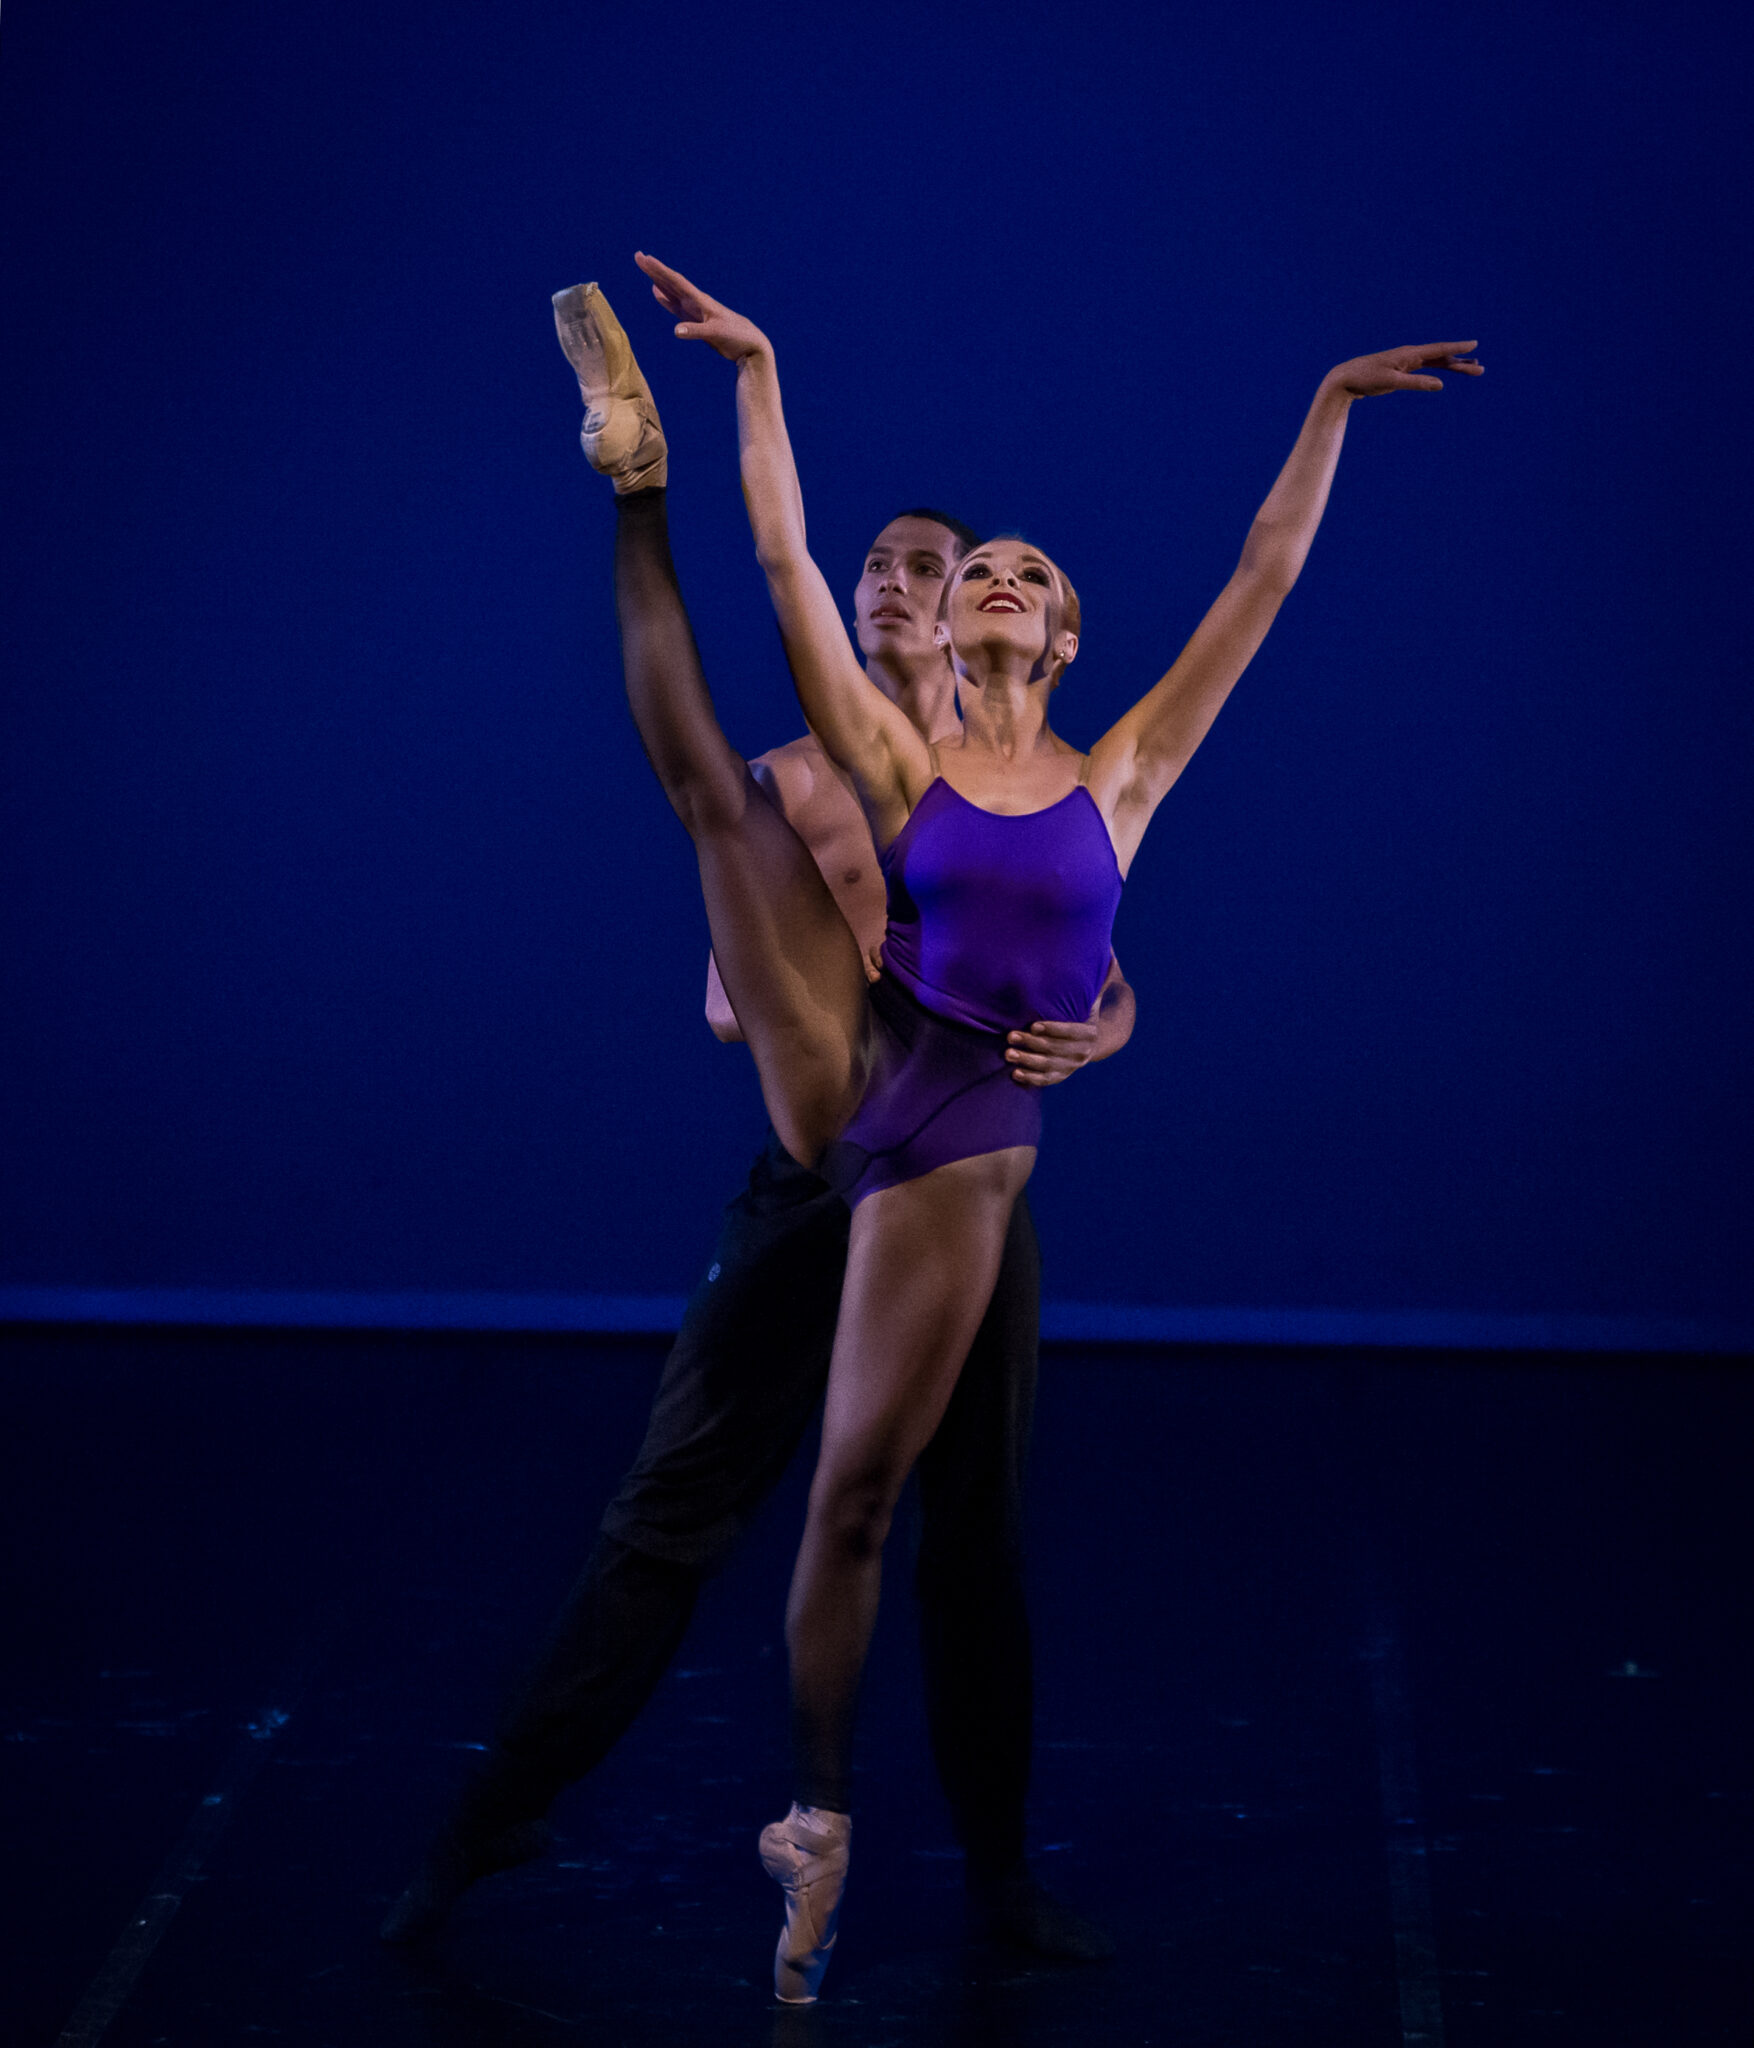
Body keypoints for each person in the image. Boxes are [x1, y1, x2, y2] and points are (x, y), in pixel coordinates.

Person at [560, 254, 1479, 2005]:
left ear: (1060, 639)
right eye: (973, 563)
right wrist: (757, 369)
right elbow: (789, 569)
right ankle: (632, 472)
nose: (989, 576)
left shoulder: (1121, 774)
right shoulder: (899, 774)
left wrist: (1330, 404)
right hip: (839, 1079)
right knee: (704, 775)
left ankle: (814, 1822)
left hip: (957, 1140)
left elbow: (1260, 581)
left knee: (853, 1504)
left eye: (1024, 575)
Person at [378, 496, 1134, 1959]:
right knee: (672, 1512)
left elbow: (1102, 975)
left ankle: (998, 1880)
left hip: (959, 1176)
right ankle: (488, 1824)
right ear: (849, 616)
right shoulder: (797, 776)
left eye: (938, 565)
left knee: (974, 1533)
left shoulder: (1021, 786)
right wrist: (780, 984)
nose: (909, 583)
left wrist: (1091, 1037)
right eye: (887, 566)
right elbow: (728, 988)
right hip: (821, 1173)